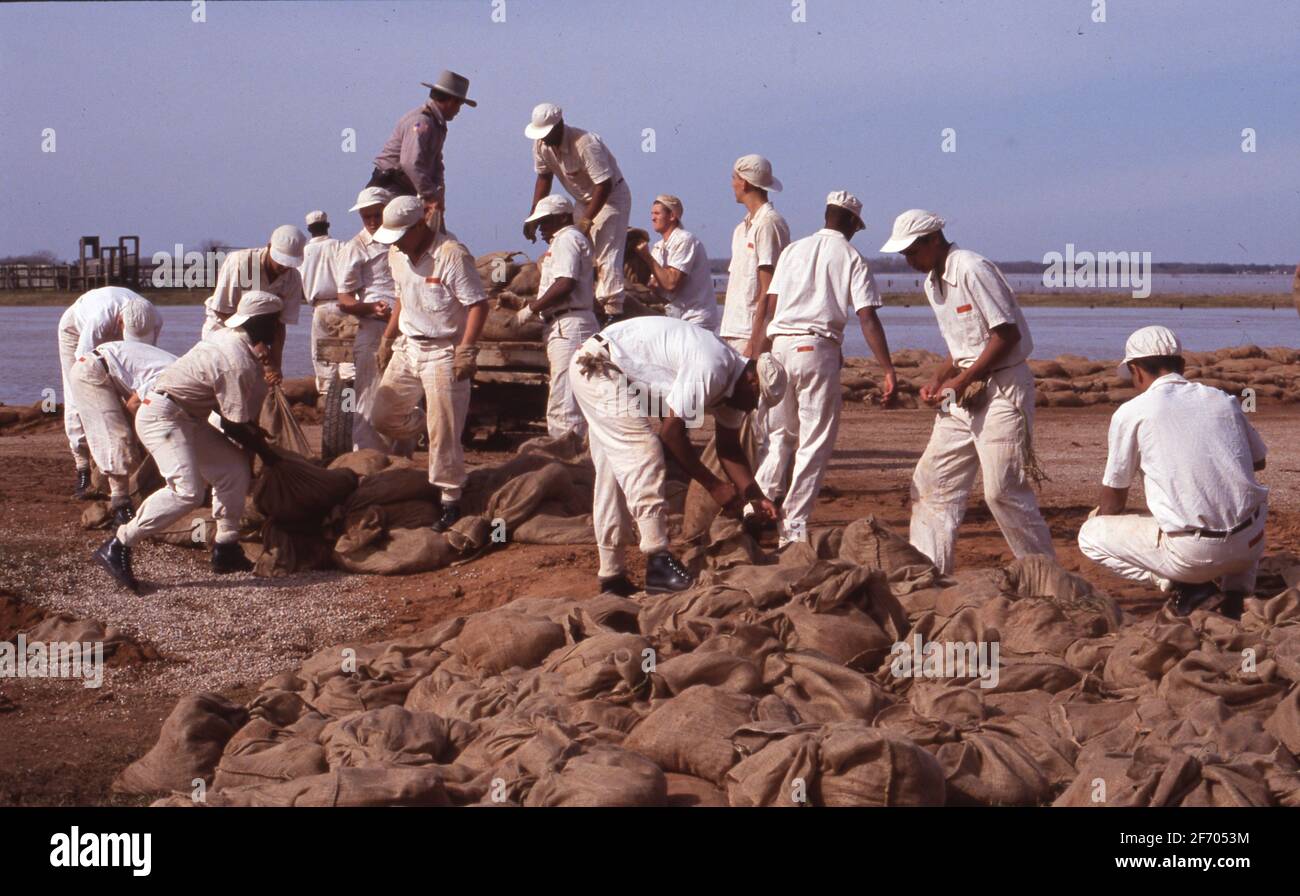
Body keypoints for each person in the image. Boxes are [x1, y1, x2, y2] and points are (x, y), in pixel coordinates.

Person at [880, 209, 1055, 574]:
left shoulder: (971, 268)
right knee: (931, 482)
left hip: (1004, 390)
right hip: (963, 396)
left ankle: (1044, 575)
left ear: (933, 240)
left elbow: (1006, 335)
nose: (908, 260)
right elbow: (961, 346)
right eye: (904, 255)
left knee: (1002, 490)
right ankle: (929, 573)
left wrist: (958, 381)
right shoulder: (932, 283)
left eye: (912, 251)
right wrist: (938, 378)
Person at [569, 316, 787, 595]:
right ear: (751, 378)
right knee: (643, 451)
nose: (754, 406)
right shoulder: (714, 366)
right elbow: (671, 434)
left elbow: (729, 449)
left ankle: (611, 576)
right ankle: (658, 561)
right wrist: (715, 486)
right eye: (757, 397)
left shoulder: (734, 390)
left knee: (614, 471)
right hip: (599, 367)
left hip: (615, 375)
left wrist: (755, 496)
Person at [93, 292, 283, 592]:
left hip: (186, 416)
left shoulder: (232, 339)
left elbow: (232, 415)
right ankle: (118, 544)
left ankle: (226, 547)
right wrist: (270, 456)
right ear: (263, 323)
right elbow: (234, 423)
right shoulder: (235, 360)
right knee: (186, 491)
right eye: (276, 323)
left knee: (232, 469)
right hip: (162, 417)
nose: (279, 329)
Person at [1078, 326, 1268, 618]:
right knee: (1234, 507)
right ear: (1182, 365)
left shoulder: (1132, 412)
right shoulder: (1222, 399)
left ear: (1136, 370)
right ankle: (1235, 593)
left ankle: (1188, 587)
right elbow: (1258, 462)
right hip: (1250, 546)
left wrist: (1102, 516)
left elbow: (1115, 499)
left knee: (1090, 534)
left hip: (1193, 554)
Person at [753, 191, 897, 546]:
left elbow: (769, 306)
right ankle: (793, 529)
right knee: (813, 443)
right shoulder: (851, 257)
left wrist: (758, 353)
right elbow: (867, 317)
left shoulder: (792, 251)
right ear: (851, 223)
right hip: (816, 349)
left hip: (781, 347)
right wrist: (888, 369)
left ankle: (757, 506)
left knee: (780, 437)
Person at [371, 195, 488, 532]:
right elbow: (400, 299)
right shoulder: (396, 254)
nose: (397, 244)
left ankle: (450, 499)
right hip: (408, 347)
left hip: (443, 350)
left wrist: (467, 349)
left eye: (401, 236)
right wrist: (387, 340)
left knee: (445, 431)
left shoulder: (452, 255)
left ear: (421, 225)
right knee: (383, 414)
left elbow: (478, 305)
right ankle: (430, 425)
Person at [524, 103, 631, 318]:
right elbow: (544, 178)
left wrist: (586, 221)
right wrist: (534, 215)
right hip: (583, 199)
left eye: (547, 134)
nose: (544, 139)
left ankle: (612, 310)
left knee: (605, 253)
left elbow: (604, 185)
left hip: (611, 198)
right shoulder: (540, 145)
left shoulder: (585, 143)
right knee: (574, 247)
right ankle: (587, 301)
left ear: (560, 125)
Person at [56, 286, 163, 498]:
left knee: (130, 395)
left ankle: (131, 459)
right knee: (78, 399)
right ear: (120, 322)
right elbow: (83, 369)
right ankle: (83, 466)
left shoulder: (155, 318)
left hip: (109, 330)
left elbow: (143, 363)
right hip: (74, 333)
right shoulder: (100, 318)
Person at [66, 340, 177, 525]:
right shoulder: (173, 378)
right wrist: (149, 440)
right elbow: (135, 404)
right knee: (117, 437)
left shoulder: (185, 371)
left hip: (105, 368)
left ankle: (121, 492)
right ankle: (120, 505)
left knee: (131, 441)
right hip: (91, 370)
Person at [518, 194, 601, 439]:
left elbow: (565, 283)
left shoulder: (567, 239)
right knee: (570, 393)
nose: (541, 229)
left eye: (546, 221)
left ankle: (567, 455)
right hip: (567, 323)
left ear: (563, 217)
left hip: (569, 324)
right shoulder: (564, 241)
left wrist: (531, 309)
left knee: (564, 398)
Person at [368, 70, 476, 228]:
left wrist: (438, 196)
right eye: (459, 105)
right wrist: (431, 196)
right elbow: (411, 163)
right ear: (451, 101)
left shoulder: (436, 124)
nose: (458, 110)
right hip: (390, 189)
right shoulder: (422, 122)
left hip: (405, 189)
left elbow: (436, 164)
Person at [202, 225, 306, 386]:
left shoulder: (293, 278)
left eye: (289, 264)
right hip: (223, 329)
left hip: (261, 338)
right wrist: (256, 343)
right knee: (223, 383)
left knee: (256, 387)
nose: (284, 267)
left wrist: (275, 365)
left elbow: (280, 326)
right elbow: (222, 309)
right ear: (269, 246)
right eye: (281, 262)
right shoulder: (241, 263)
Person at [335, 187, 397, 451]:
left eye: (377, 215)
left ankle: (399, 459)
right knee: (369, 397)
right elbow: (345, 299)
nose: (372, 221)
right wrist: (370, 308)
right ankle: (367, 460)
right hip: (374, 328)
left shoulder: (402, 239)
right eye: (366, 216)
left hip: (405, 327)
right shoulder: (355, 247)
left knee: (403, 396)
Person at [721, 154, 791, 359]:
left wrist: (755, 342)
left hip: (749, 333)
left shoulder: (769, 223)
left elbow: (769, 290)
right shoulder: (741, 229)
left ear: (744, 183)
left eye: (734, 178)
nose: (732, 184)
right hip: (732, 330)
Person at [633, 194, 718, 331]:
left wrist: (646, 257)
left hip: (695, 319)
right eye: (651, 213)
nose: (652, 218)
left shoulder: (685, 240)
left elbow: (671, 283)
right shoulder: (658, 247)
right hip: (675, 319)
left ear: (672, 216)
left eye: (657, 213)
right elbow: (655, 286)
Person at [301, 210, 349, 391]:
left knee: (323, 358)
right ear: (327, 226)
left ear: (309, 229)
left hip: (320, 307)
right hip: (342, 304)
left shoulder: (304, 251)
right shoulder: (340, 246)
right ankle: (348, 403)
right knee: (347, 357)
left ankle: (328, 398)